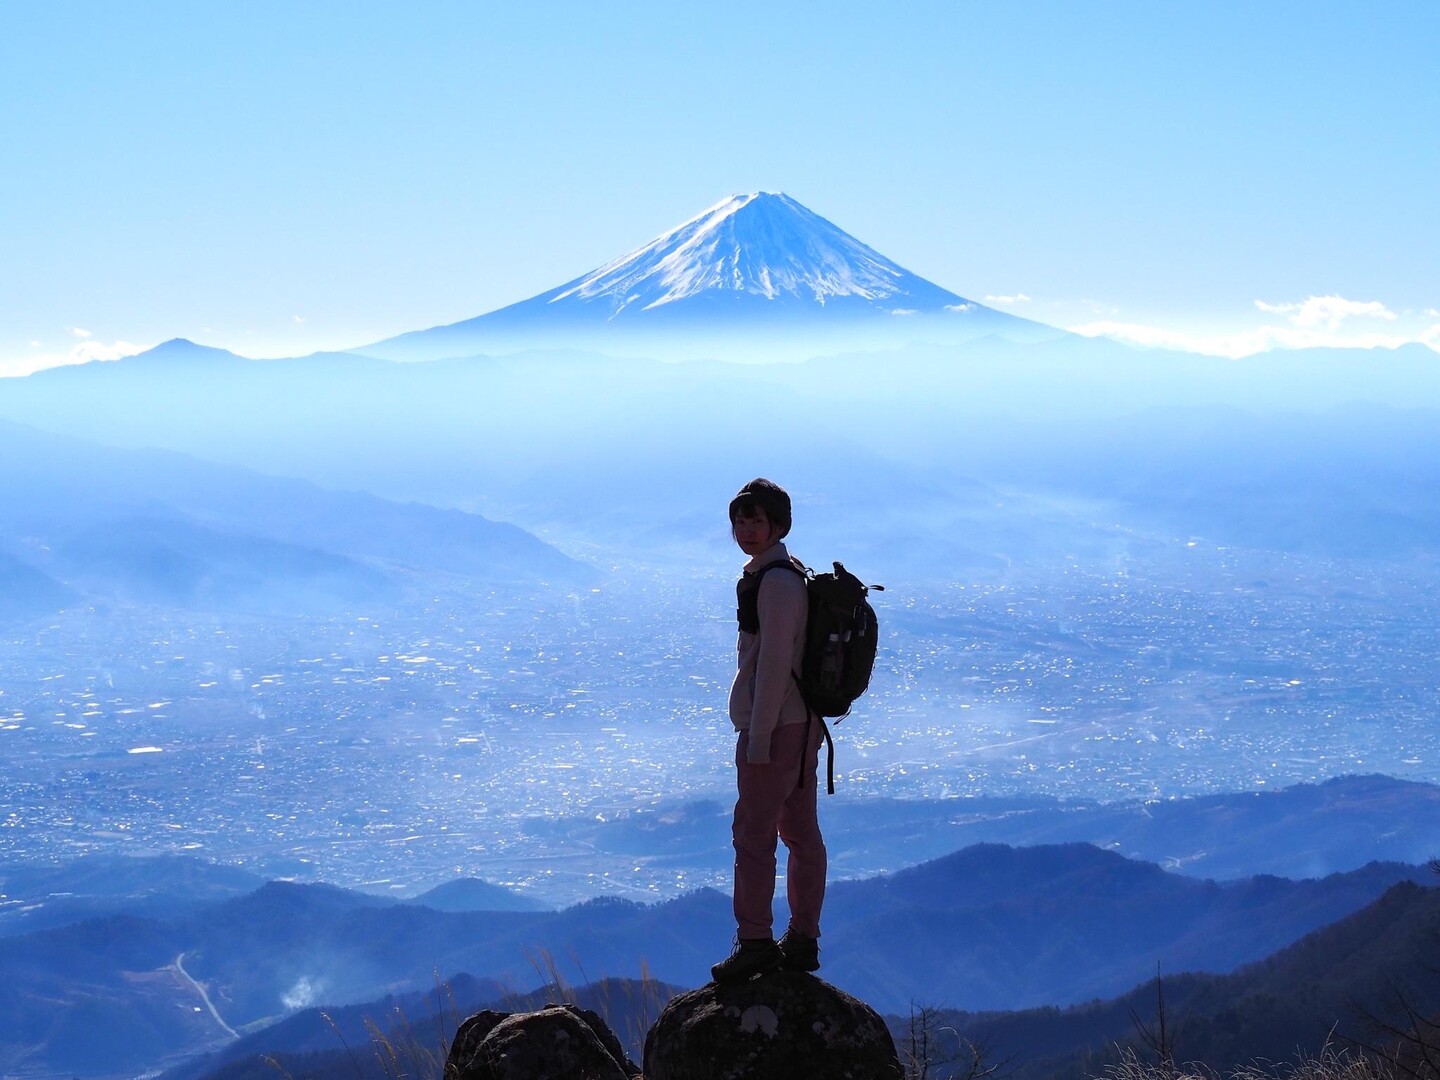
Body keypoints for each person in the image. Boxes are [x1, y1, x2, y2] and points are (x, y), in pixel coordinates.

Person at [711, 477, 827, 983]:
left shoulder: (776, 583)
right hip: (801, 723)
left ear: (778, 524)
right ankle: (803, 939)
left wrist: (757, 739)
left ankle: (756, 940)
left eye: (756, 520)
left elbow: (774, 665)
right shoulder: (785, 573)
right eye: (740, 520)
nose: (745, 529)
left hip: (777, 727)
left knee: (753, 836)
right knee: (799, 832)